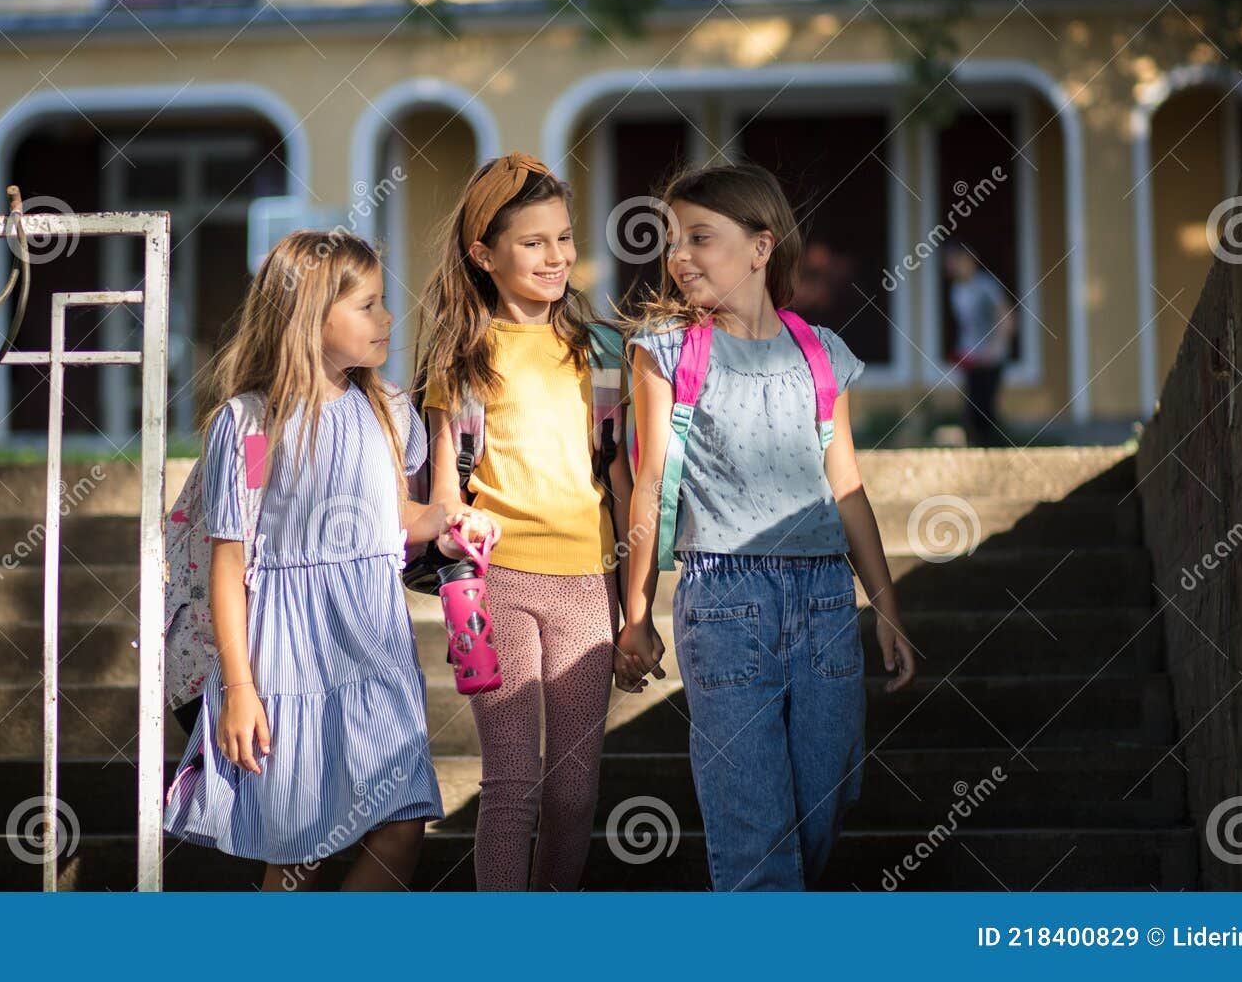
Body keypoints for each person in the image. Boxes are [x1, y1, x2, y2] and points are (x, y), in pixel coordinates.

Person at [163, 230, 495, 890]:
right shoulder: (252, 426)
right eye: (368, 305)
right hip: (287, 657)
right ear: (309, 318)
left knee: (402, 822)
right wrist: (239, 689)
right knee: (296, 850)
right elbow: (232, 557)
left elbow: (394, 516)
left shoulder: (388, 408)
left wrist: (449, 523)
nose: (388, 318)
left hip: (376, 648)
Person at [616, 164, 917, 891]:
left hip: (825, 604)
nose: (679, 255)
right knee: (754, 829)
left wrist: (885, 604)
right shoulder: (667, 352)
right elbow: (650, 485)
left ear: (760, 247)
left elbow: (847, 487)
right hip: (725, 603)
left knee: (825, 800)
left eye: (701, 237)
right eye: (673, 239)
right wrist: (636, 612)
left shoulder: (820, 354)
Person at [416, 153, 632, 891]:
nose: (556, 256)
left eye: (564, 238)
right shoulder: (462, 354)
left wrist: (637, 610)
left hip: (588, 586)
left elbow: (621, 481)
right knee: (513, 784)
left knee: (574, 793)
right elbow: (447, 491)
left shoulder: (602, 351)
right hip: (492, 588)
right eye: (533, 242)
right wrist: (456, 567)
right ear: (485, 254)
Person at [943, 242, 1016, 447]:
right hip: (971, 358)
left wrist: (995, 349)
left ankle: (996, 450)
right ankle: (976, 448)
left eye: (954, 261)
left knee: (985, 408)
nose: (950, 266)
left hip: (991, 358)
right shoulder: (956, 291)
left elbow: (1007, 318)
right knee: (971, 409)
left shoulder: (986, 286)